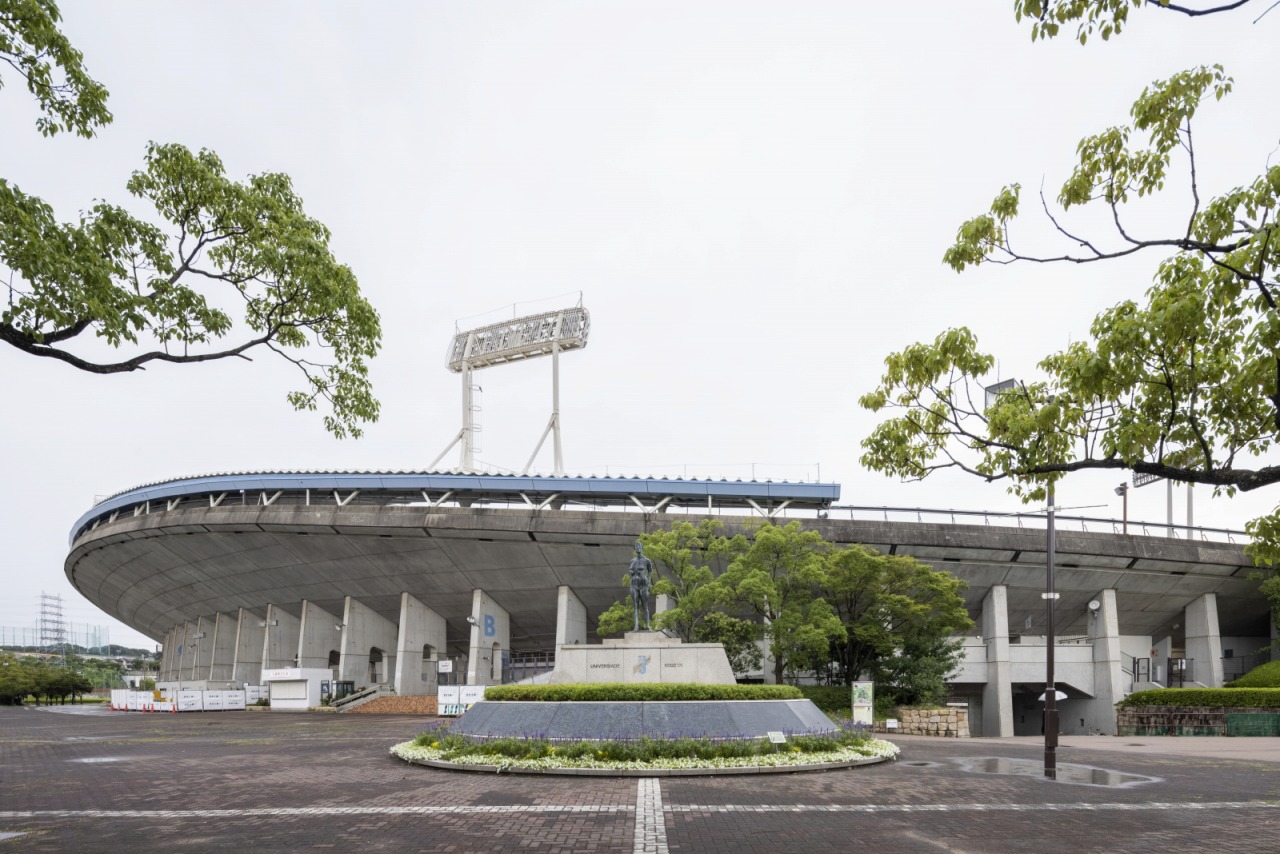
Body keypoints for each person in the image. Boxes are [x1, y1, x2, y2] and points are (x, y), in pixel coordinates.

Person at [627, 540, 656, 631]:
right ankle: (636, 626)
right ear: (634, 549)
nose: (638, 548)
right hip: (634, 584)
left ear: (642, 548)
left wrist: (649, 581)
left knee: (645, 606)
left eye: (639, 546)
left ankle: (648, 625)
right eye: (636, 546)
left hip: (643, 584)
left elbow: (650, 570)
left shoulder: (646, 560)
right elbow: (630, 570)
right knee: (635, 606)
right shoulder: (633, 560)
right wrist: (631, 571)